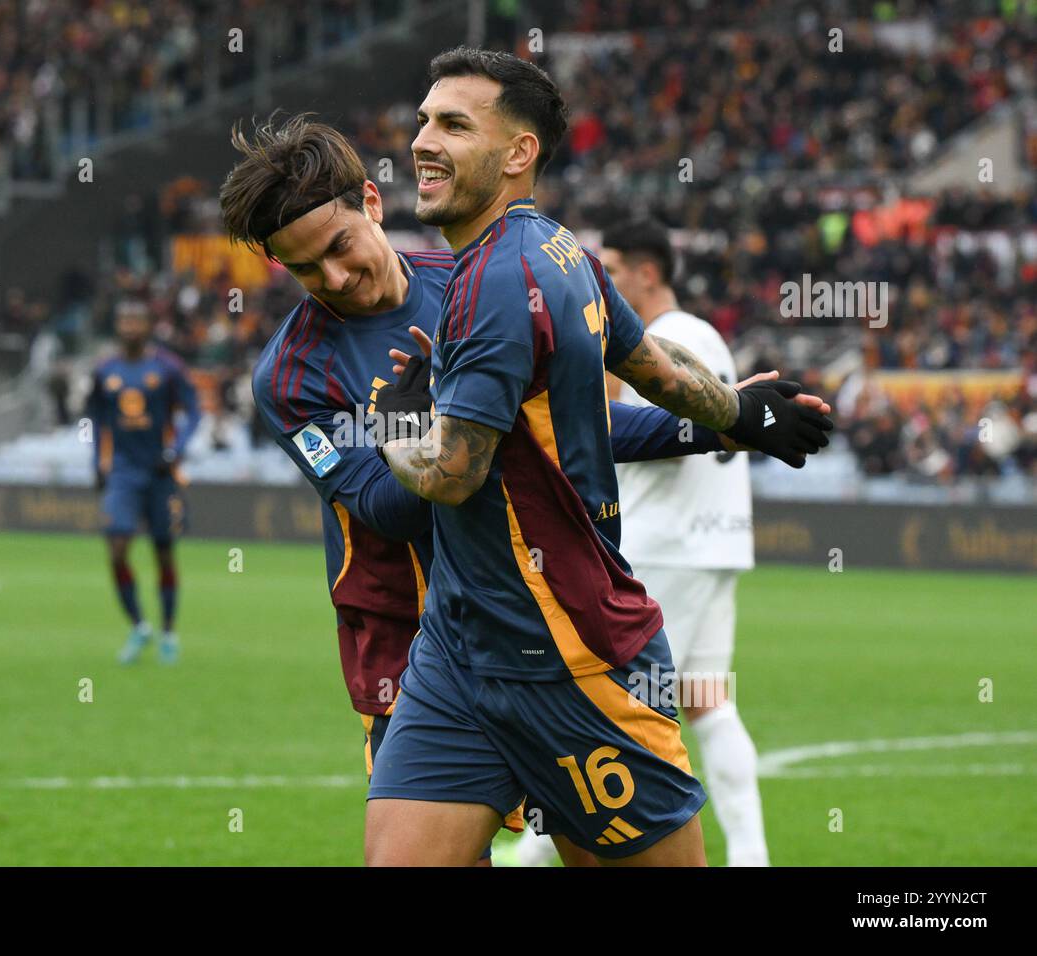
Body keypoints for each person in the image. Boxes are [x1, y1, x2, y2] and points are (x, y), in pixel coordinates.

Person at [221, 114, 829, 864]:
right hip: (409, 645)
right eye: (306, 270)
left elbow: (574, 428)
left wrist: (722, 424)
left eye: (340, 248)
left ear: (372, 205)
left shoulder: (475, 285)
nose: (334, 280)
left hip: (542, 625)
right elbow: (379, 508)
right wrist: (420, 435)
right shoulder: (289, 376)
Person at [603, 219, 770, 866]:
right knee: (707, 702)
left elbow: (670, 444)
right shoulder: (706, 335)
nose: (604, 285)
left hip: (664, 544)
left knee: (616, 701)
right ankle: (751, 857)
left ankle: (538, 851)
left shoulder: (661, 339)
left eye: (613, 271)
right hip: (717, 539)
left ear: (648, 274)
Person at [85, 300, 201, 665]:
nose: (130, 325)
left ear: (150, 325)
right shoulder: (105, 370)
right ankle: (138, 626)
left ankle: (167, 631)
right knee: (117, 548)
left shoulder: (167, 367)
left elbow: (194, 410)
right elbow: (94, 419)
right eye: (123, 319)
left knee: (163, 552)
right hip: (122, 472)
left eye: (136, 319)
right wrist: (96, 464)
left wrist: (176, 450)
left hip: (160, 473)